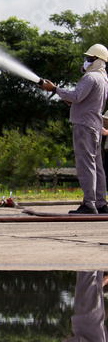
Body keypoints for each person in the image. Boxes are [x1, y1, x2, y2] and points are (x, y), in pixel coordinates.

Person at [39, 44, 108, 215]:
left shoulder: (90, 78)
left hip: (84, 126)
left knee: (86, 165)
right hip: (95, 126)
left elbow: (76, 96)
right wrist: (66, 97)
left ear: (98, 61)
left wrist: (54, 89)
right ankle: (101, 204)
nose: (86, 61)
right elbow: (84, 100)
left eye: (90, 59)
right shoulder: (103, 79)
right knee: (97, 166)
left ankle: (89, 204)